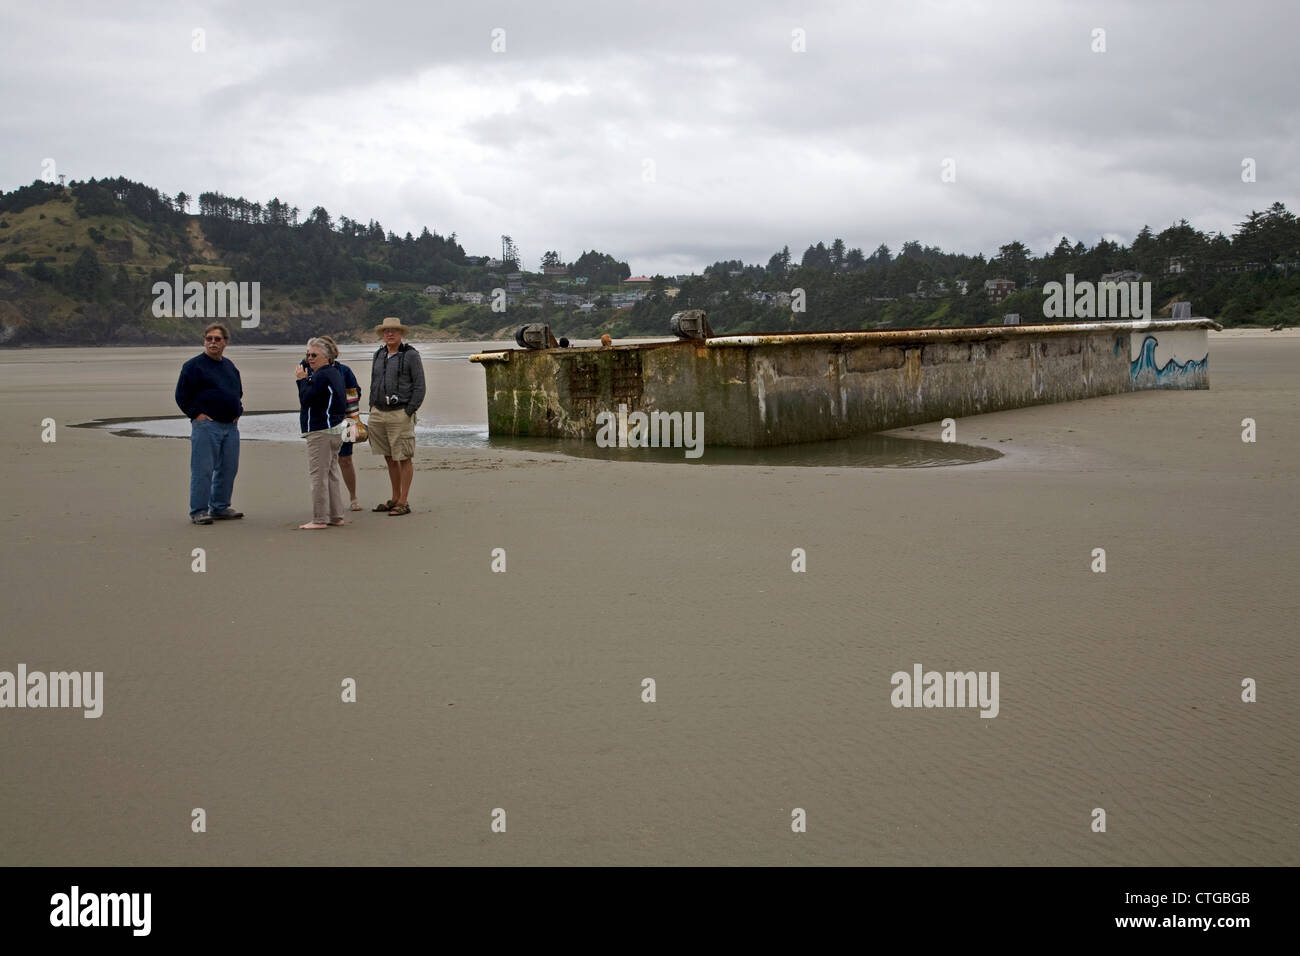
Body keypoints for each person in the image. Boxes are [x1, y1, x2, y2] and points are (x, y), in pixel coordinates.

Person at [175, 322, 243, 525]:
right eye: (209, 339)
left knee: (229, 468)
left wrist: (238, 410)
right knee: (203, 469)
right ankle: (198, 511)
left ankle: (220, 507)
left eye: (217, 339)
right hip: (206, 426)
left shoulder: (229, 366)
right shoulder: (193, 366)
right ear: (204, 341)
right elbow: (182, 395)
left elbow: (237, 391)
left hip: (230, 427)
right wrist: (196, 415)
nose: (212, 343)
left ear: (225, 342)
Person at [367, 317, 425, 516]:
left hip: (400, 412)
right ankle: (394, 498)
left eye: (394, 331)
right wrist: (371, 406)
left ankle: (403, 501)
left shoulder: (411, 356)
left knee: (404, 457)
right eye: (386, 331)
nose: (389, 334)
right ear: (382, 335)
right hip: (378, 411)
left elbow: (419, 386)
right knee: (389, 457)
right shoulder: (378, 355)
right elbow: (374, 382)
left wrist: (409, 411)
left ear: (401, 334)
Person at [296, 337, 348, 530]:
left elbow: (306, 399)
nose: (310, 358)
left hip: (321, 431)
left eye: (314, 355)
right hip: (334, 429)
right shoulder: (333, 372)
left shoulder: (322, 375)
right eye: (308, 355)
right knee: (331, 473)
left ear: (326, 357)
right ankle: (336, 516)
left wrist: (301, 381)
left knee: (318, 475)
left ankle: (319, 519)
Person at [317, 335, 363, 511]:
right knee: (324, 463)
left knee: (345, 460)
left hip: (344, 421)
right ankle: (328, 501)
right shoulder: (311, 369)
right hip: (320, 422)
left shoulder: (344, 371)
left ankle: (353, 498)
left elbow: (356, 393)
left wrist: (342, 402)